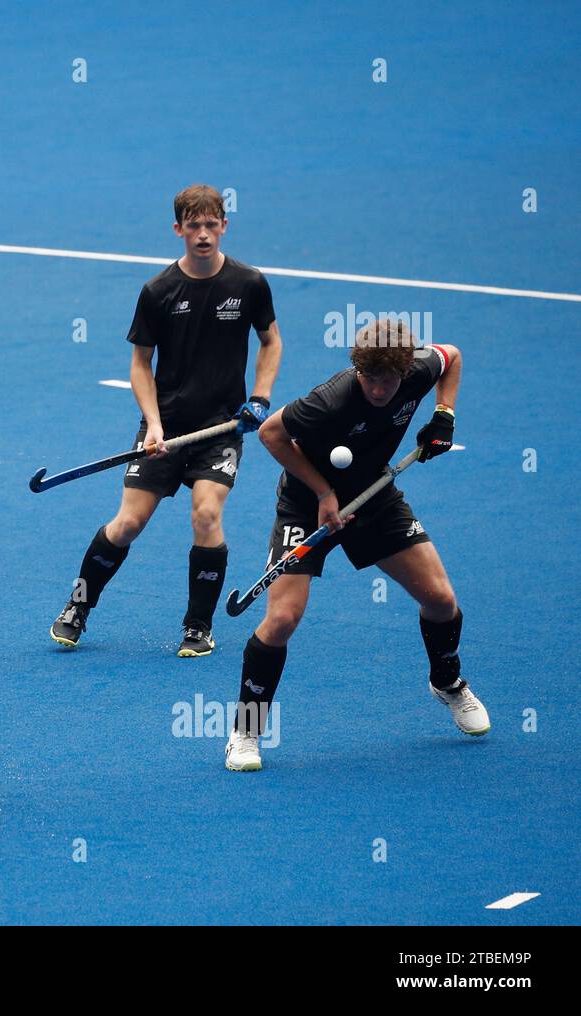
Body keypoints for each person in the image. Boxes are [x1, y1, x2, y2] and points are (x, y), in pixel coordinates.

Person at [224, 318, 488, 772]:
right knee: (283, 618)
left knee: (441, 600)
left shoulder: (421, 369)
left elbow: (454, 355)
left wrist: (444, 414)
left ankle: (447, 683)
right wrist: (324, 492)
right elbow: (271, 433)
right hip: (307, 504)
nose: (378, 390)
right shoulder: (330, 400)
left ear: (404, 371)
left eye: (387, 381)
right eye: (369, 379)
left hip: (373, 496)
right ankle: (245, 731)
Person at [51, 183, 283, 657]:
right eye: (193, 225)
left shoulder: (249, 284)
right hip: (166, 427)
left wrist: (259, 397)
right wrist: (153, 424)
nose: (203, 234)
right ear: (178, 229)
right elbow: (141, 363)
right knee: (128, 524)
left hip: (221, 427)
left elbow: (271, 341)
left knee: (206, 514)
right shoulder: (158, 291)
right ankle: (79, 606)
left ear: (224, 225)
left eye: (211, 224)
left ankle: (198, 626)